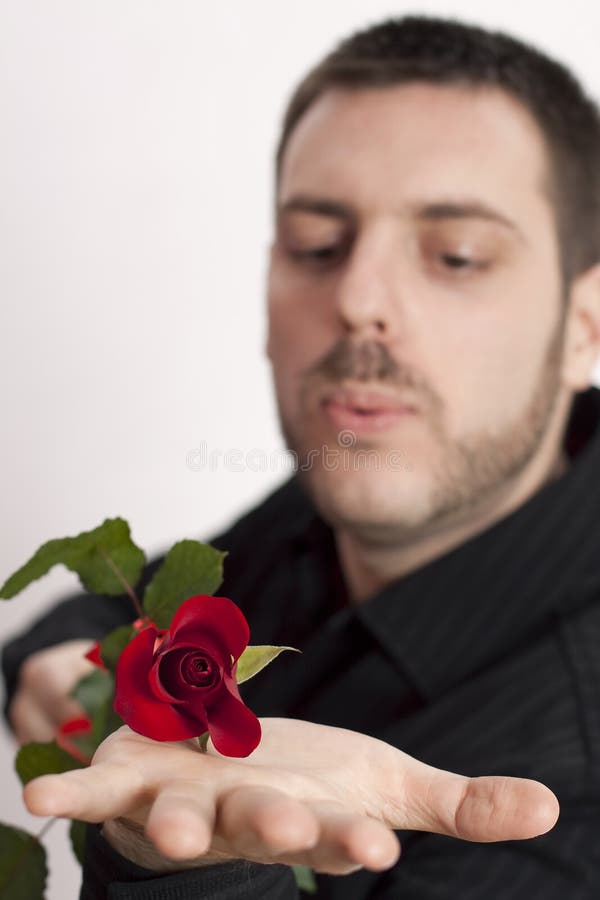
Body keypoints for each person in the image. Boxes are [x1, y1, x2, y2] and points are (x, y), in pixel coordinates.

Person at [3, 13, 600, 898]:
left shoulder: (570, 770)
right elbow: (147, 602)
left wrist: (186, 869)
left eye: (457, 255)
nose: (357, 298)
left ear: (582, 325)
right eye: (317, 245)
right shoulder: (353, 487)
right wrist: (58, 665)